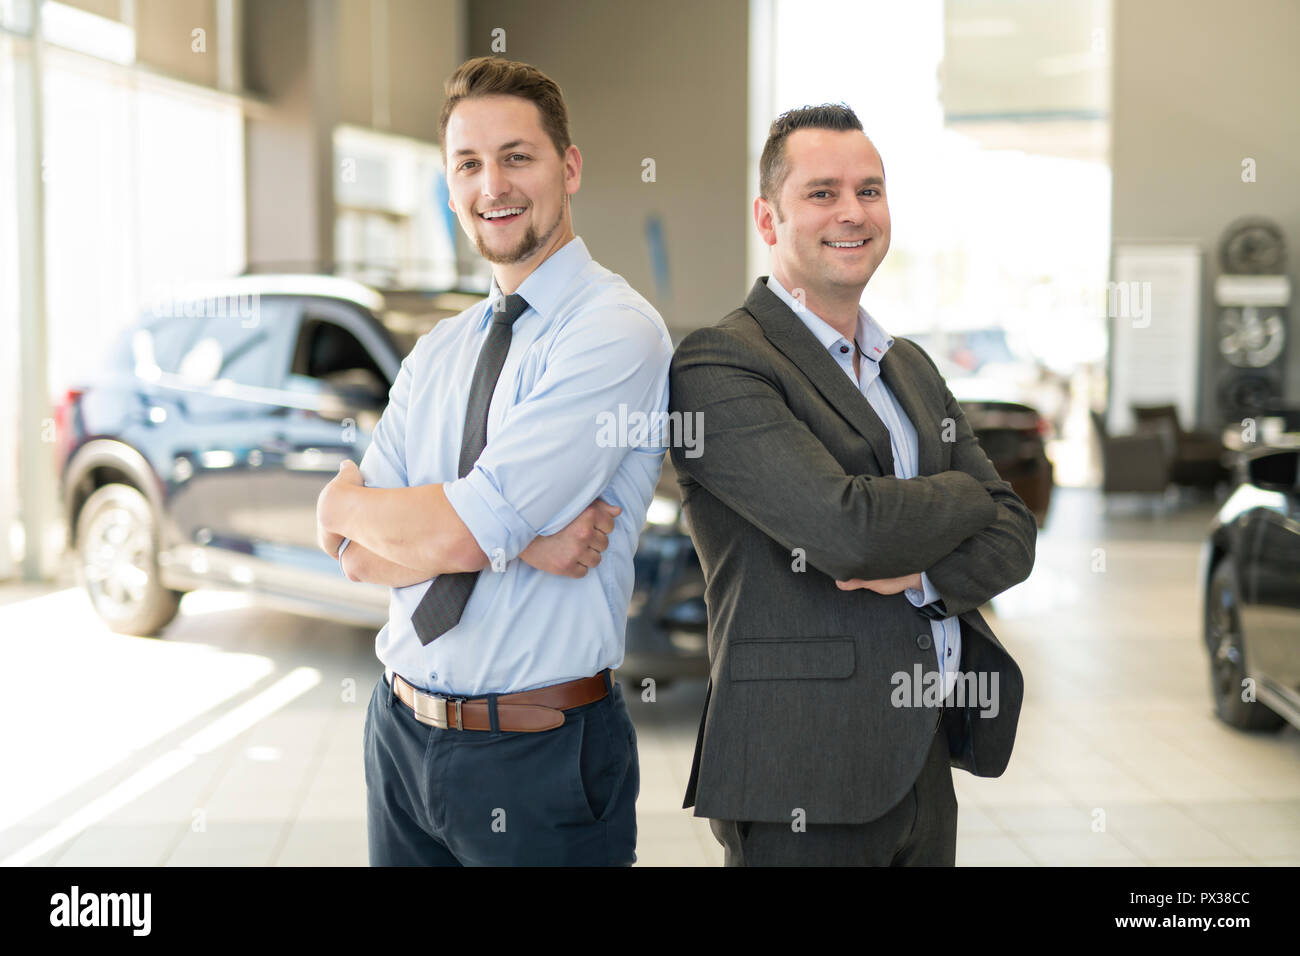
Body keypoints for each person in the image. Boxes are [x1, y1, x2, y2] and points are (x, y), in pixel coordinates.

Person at [315, 56, 672, 866]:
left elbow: (455, 531)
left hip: (540, 757)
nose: (493, 185)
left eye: (517, 157)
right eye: (468, 165)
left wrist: (346, 504)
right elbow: (357, 560)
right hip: (400, 739)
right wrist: (523, 542)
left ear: (568, 167)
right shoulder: (439, 349)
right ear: (448, 188)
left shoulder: (614, 330)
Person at [668, 104, 1037, 866]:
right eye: (822, 192)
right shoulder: (721, 363)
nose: (852, 212)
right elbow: (848, 532)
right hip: (802, 773)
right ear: (768, 220)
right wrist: (968, 501)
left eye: (869, 191)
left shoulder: (909, 367)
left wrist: (930, 569)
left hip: (922, 760)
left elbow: (1016, 534)